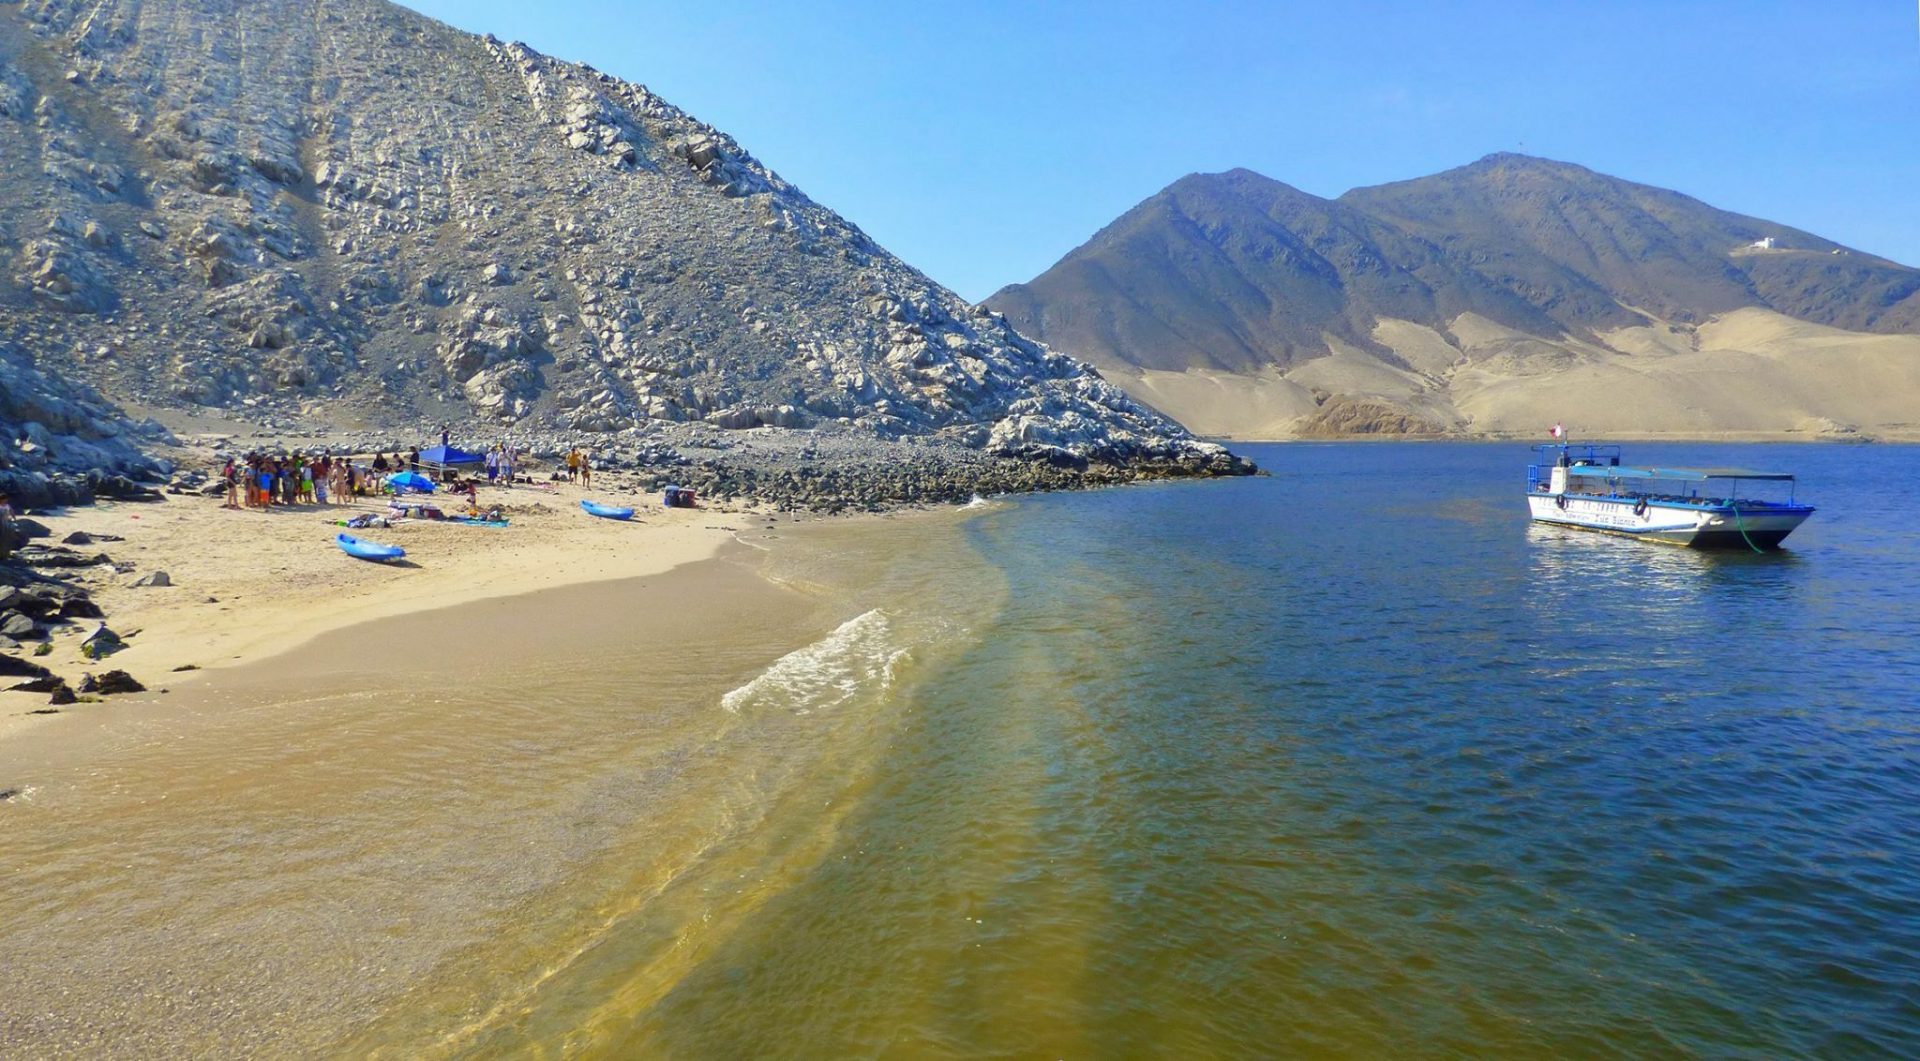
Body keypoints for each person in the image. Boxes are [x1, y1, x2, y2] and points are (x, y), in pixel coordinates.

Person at [0, 491, 18, 563]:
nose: (6, 500)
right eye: (4, 499)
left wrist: (14, 518)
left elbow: (12, 512)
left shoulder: (7, 506)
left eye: (6, 499)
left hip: (6, 522)